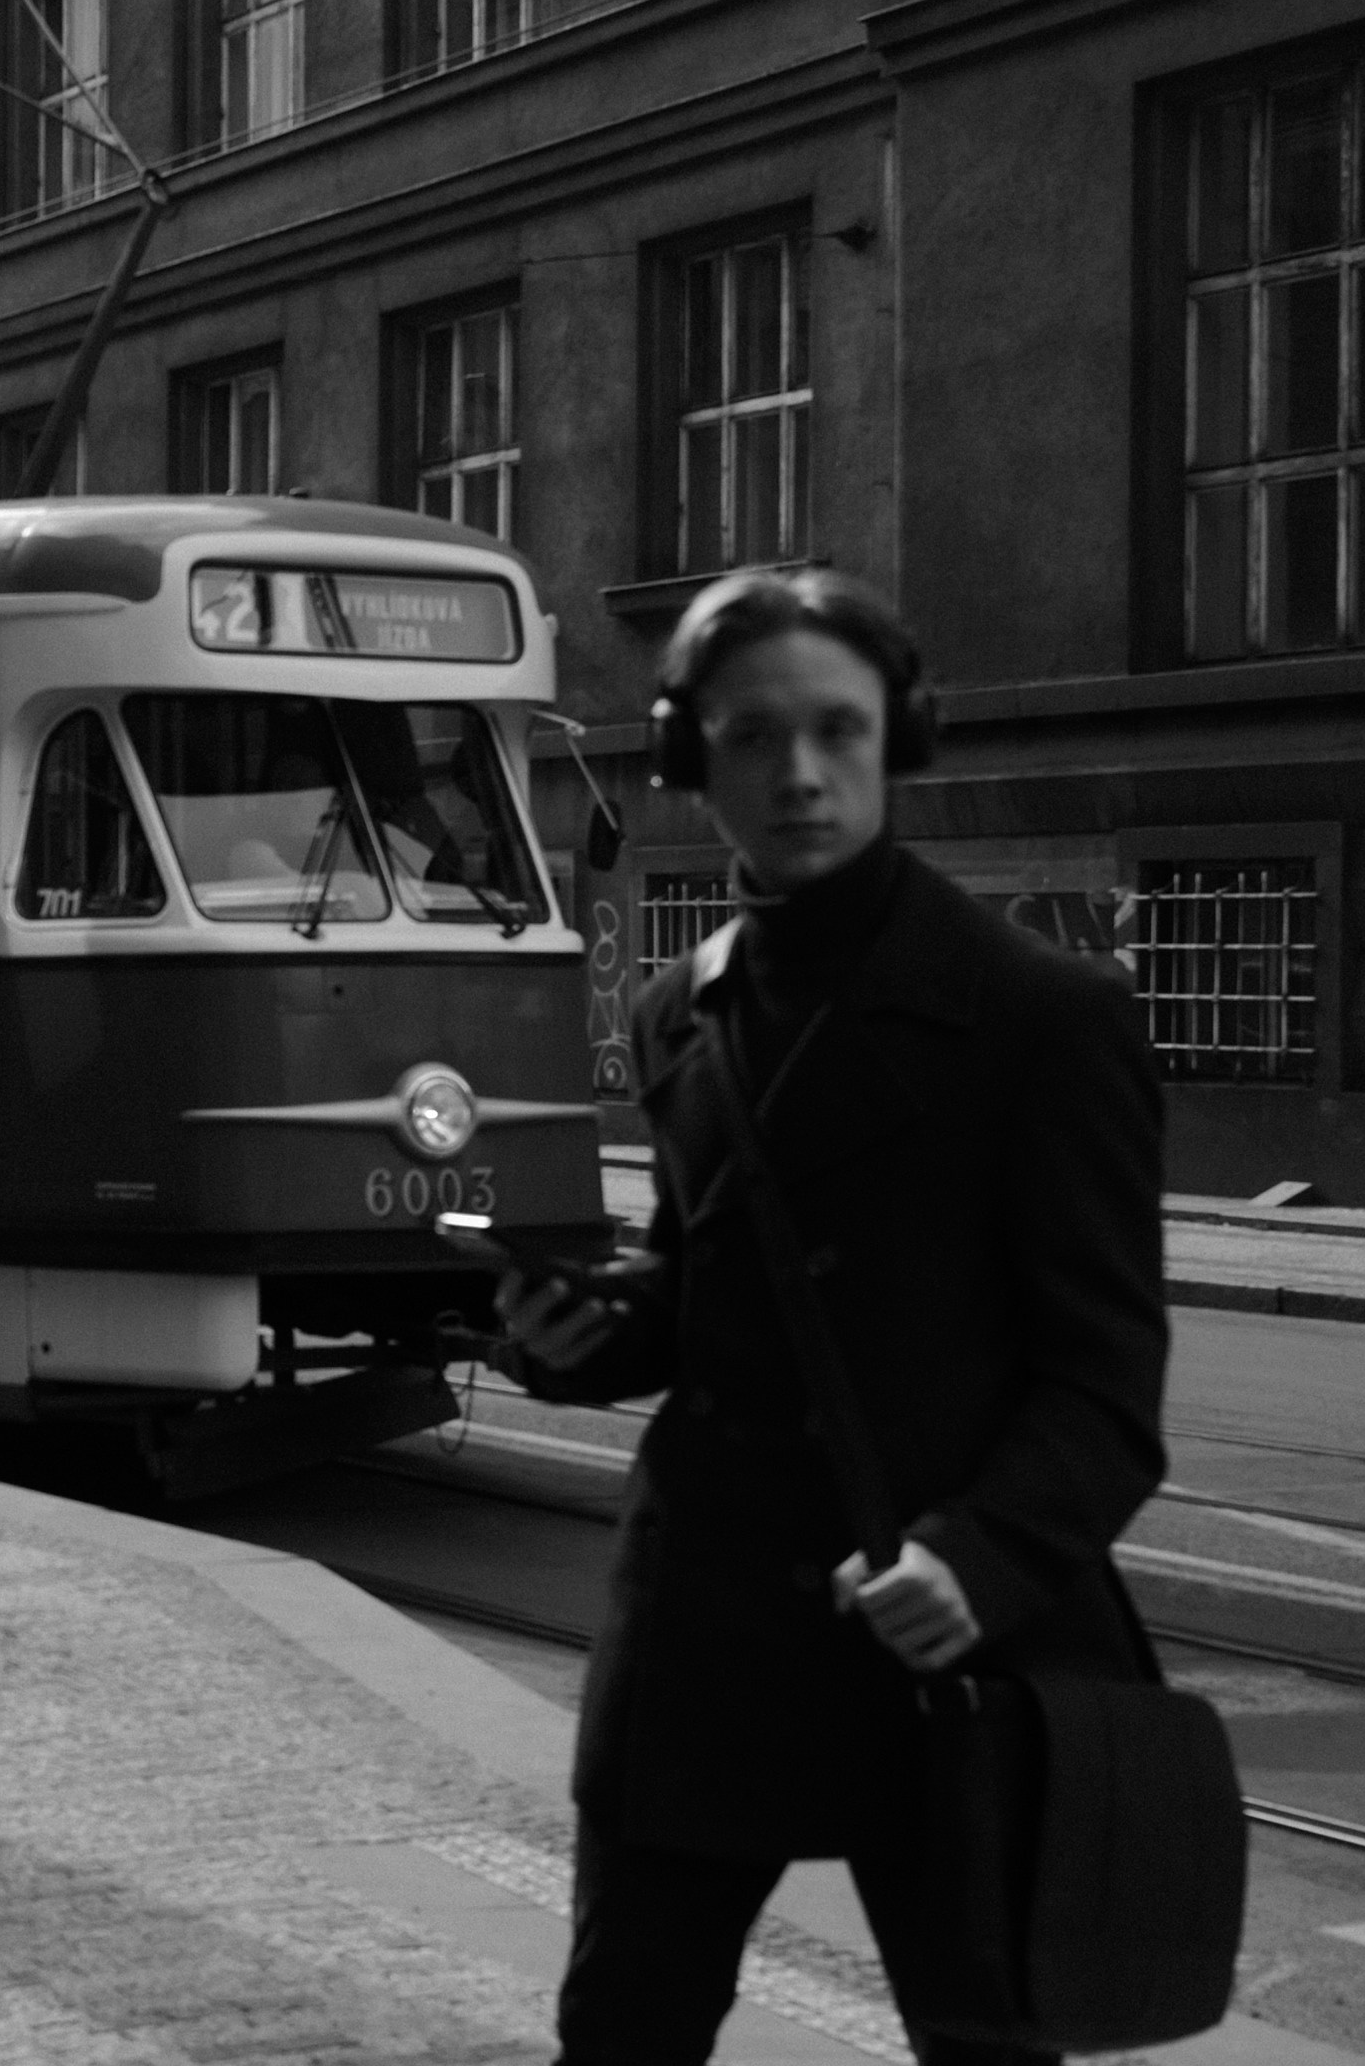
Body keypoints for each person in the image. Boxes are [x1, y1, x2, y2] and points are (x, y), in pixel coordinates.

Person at [487, 569, 1169, 2066]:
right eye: (752, 737)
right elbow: (705, 1296)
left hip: (949, 1654)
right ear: (690, 758)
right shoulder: (683, 1009)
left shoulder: (1044, 1019)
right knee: (620, 2029)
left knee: (984, 2046)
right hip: (705, 1642)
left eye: (838, 732)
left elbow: (1108, 1393)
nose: (798, 774)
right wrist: (576, 1336)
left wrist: (976, 1559)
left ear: (898, 741)